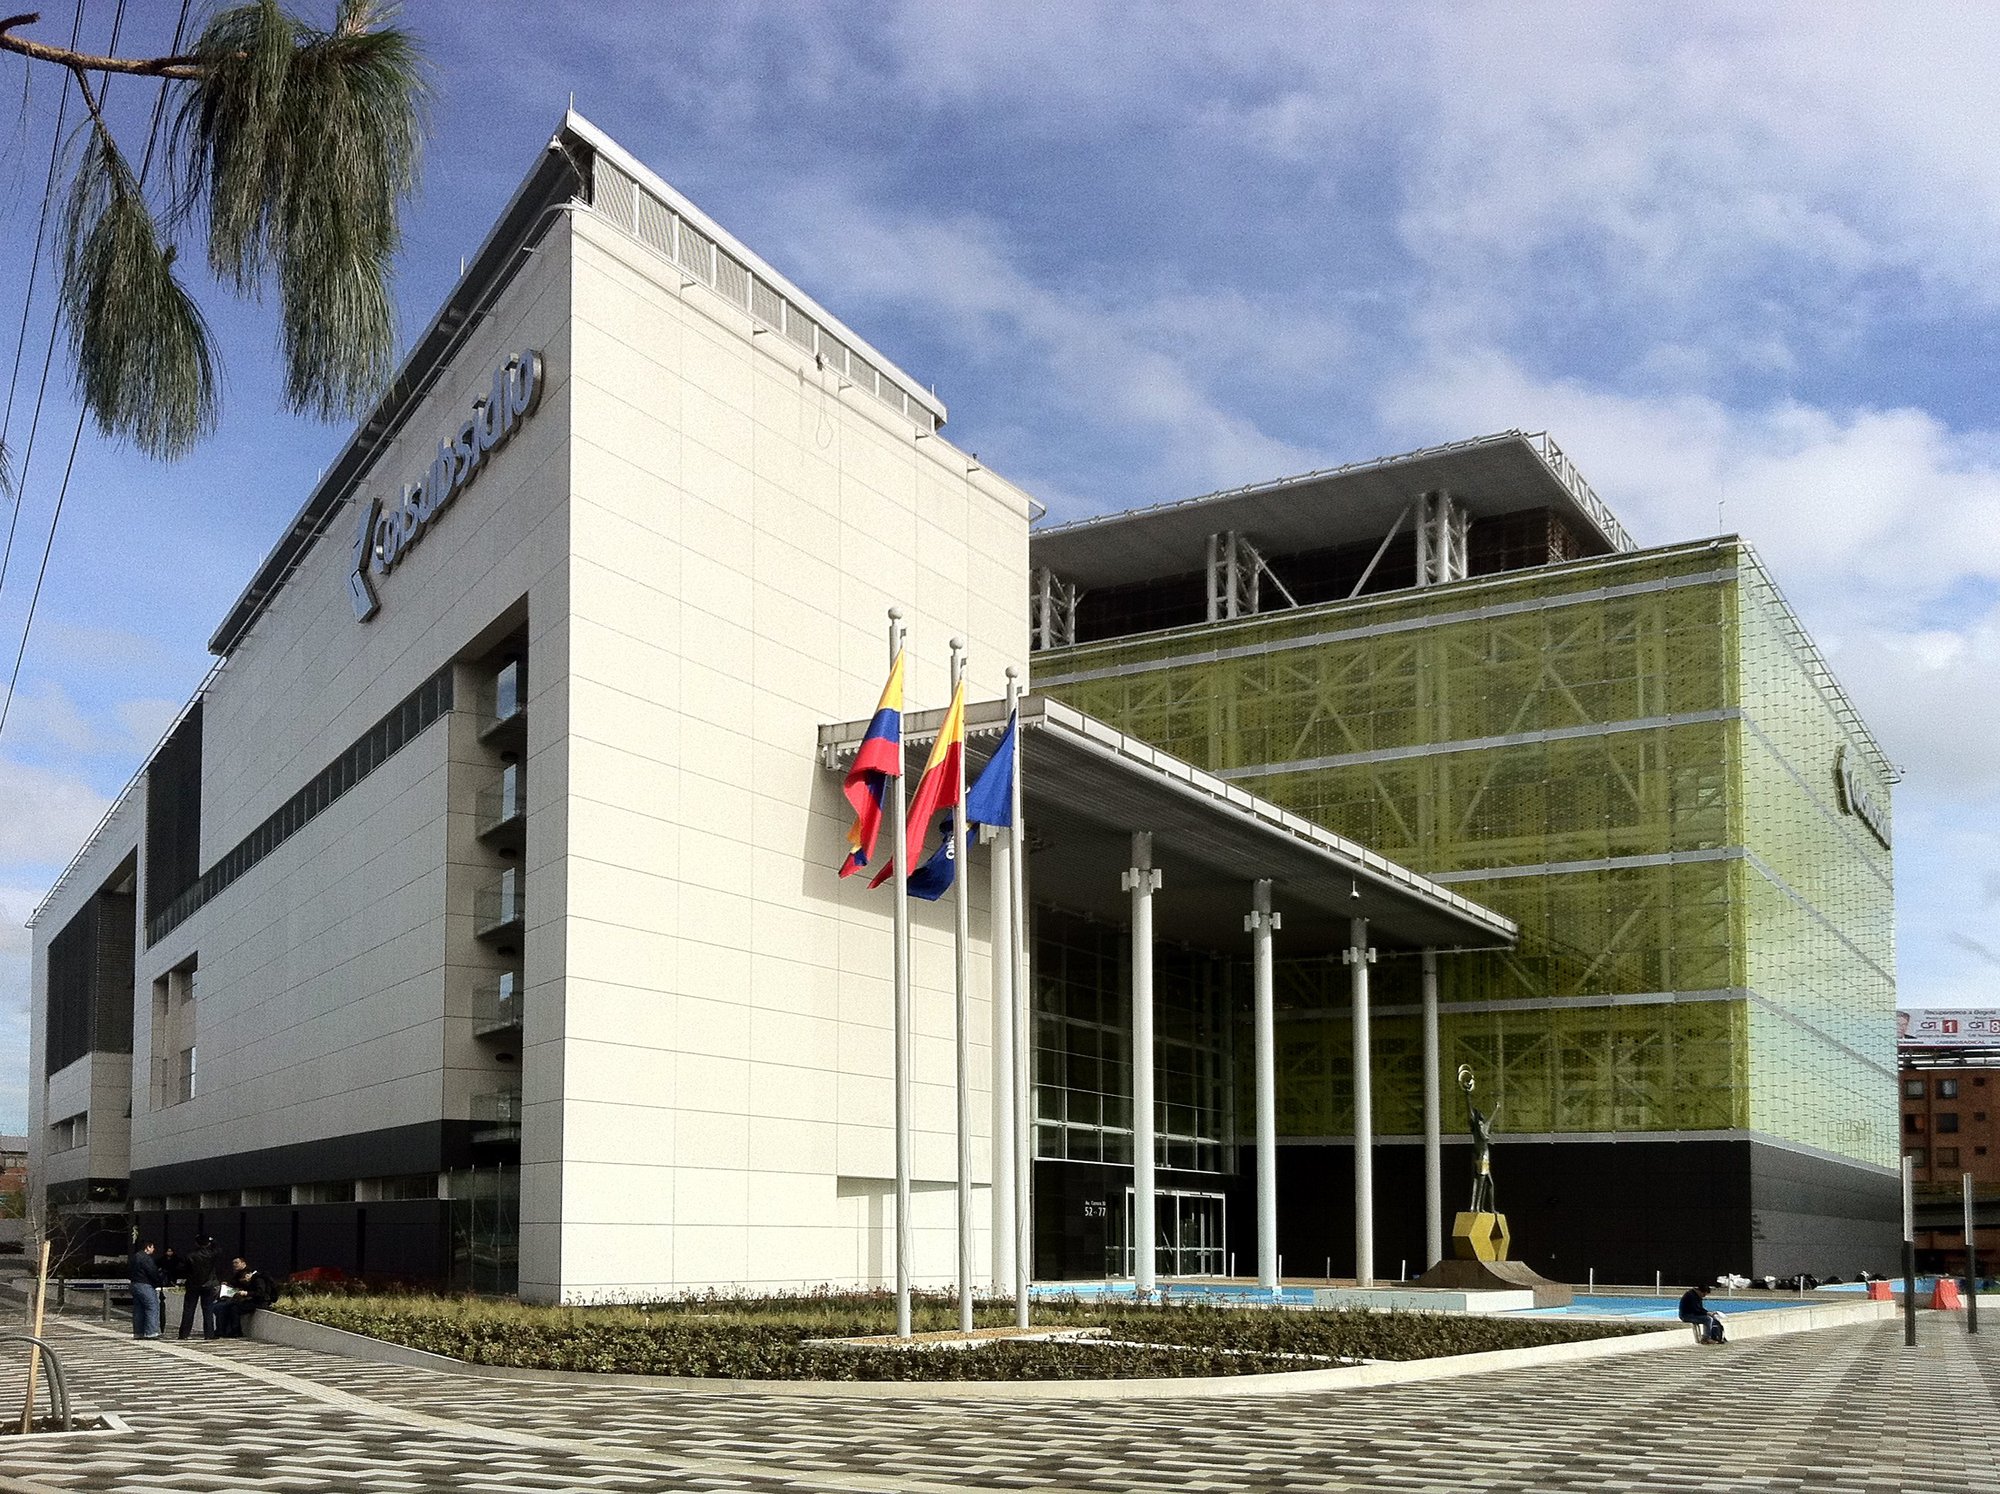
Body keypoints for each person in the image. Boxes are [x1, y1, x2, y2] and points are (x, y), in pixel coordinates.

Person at [214, 1257, 278, 1338]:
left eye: (246, 1277)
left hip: (259, 1302)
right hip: (253, 1300)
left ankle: (234, 1331)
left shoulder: (258, 1279)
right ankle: (230, 1330)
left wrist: (246, 1293)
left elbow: (260, 1293)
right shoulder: (241, 1276)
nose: (245, 1279)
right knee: (229, 1307)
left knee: (234, 1308)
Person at [178, 1236, 220, 1341]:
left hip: (193, 1284)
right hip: (208, 1284)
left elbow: (182, 1269)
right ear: (208, 1244)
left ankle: (184, 1334)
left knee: (189, 1309)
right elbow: (218, 1249)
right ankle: (209, 1334)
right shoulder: (212, 1254)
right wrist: (212, 1240)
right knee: (208, 1310)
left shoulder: (190, 1255)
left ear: (196, 1243)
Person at [127, 1241, 165, 1339]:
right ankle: (151, 1332)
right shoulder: (145, 1258)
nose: (153, 1249)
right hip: (145, 1284)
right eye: (152, 1247)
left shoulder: (134, 1257)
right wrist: (159, 1280)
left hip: (134, 1284)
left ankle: (138, 1333)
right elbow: (152, 1272)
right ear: (148, 1247)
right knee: (152, 1307)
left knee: (138, 1309)